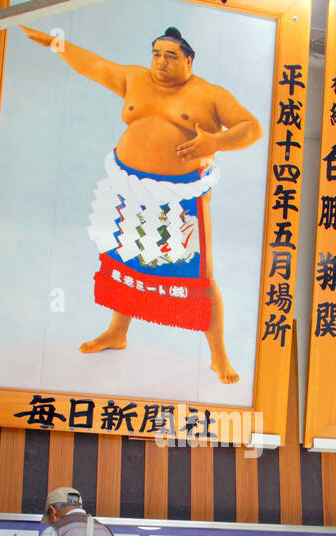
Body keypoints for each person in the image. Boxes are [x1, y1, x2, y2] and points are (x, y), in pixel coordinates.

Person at [21, 24, 263, 384]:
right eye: (156, 54)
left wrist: (214, 142)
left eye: (171, 56)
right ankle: (117, 333)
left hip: (181, 198)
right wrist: (56, 43)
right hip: (129, 190)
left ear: (189, 60)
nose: (161, 62)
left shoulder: (210, 95)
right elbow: (93, 65)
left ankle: (218, 356)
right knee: (128, 261)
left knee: (201, 277)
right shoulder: (135, 79)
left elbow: (251, 127)